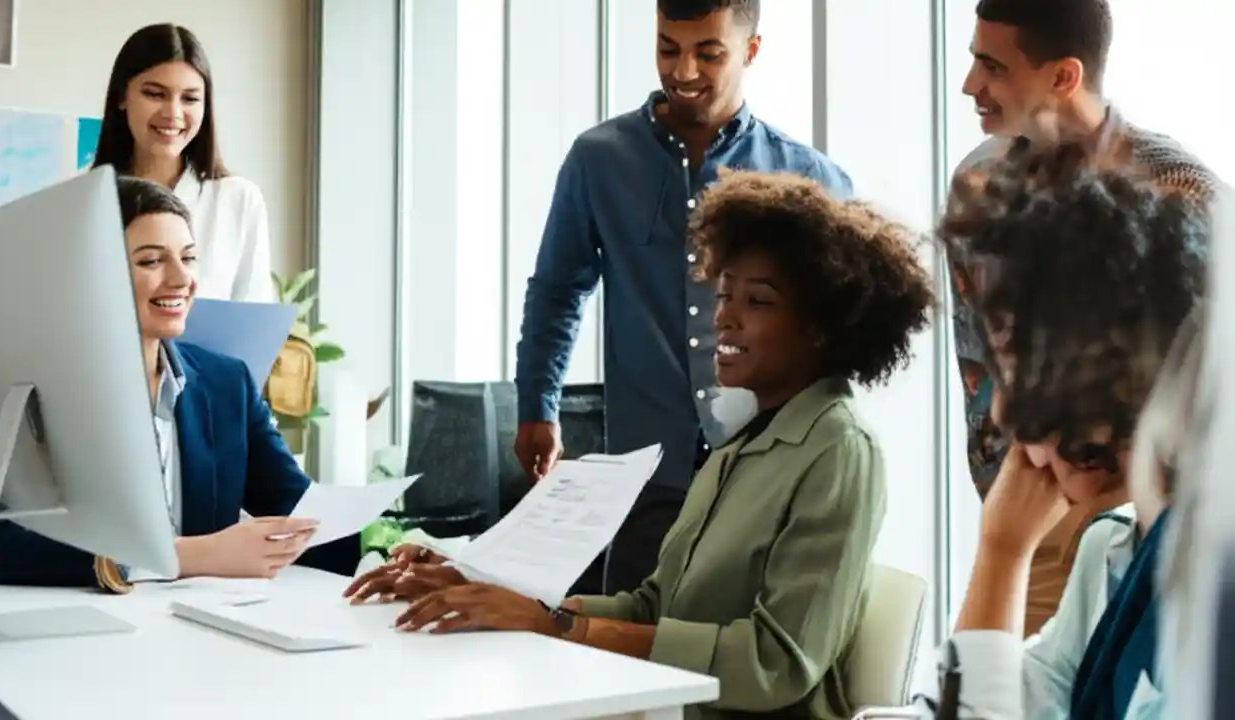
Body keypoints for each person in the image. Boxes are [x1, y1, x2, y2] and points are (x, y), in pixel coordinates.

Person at [352, 170, 935, 719]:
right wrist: (489, 590)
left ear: (823, 326)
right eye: (724, 296)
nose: (724, 319)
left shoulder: (838, 448)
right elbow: (654, 609)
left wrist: (557, 625)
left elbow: (772, 665)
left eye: (757, 302)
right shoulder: (740, 445)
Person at [514, 0, 853, 595]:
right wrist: (537, 406)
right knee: (628, 654)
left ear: (750, 51)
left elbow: (842, 332)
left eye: (709, 53)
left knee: (739, 660)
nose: (684, 71)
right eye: (668, 48)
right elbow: (556, 292)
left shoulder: (809, 178)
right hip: (645, 476)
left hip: (765, 474)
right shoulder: (598, 159)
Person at [953, 0, 1221, 633]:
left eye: (992, 65)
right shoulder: (978, 183)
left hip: (1149, 509)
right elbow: (980, 372)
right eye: (971, 59)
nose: (970, 85)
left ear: (1064, 76)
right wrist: (1010, 516)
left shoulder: (1184, 193)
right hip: (1035, 503)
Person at [925, 140, 1209, 718]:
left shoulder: (1212, 582)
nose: (1002, 415)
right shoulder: (1114, 548)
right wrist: (1002, 551)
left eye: (1019, 371)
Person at [0, 177, 359, 591]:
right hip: (86, 632)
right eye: (151, 261)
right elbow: (6, 547)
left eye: (189, 257)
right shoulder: (48, 387)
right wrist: (193, 556)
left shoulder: (226, 383)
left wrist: (410, 554)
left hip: (200, 631)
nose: (181, 279)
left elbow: (306, 520)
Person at [91, 23, 274, 302]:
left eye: (190, 98)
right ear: (121, 97)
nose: (173, 113)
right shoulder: (87, 198)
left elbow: (253, 313)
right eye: (155, 94)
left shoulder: (239, 200)